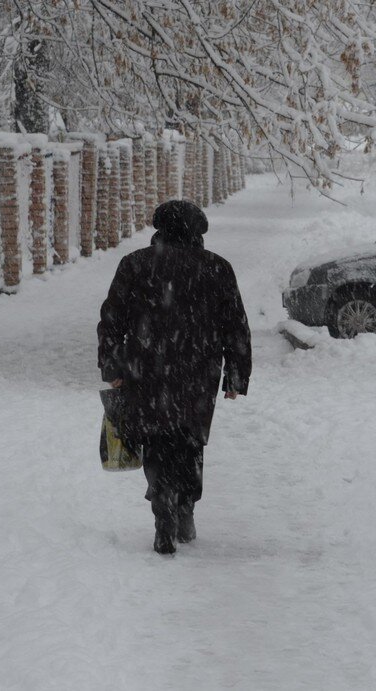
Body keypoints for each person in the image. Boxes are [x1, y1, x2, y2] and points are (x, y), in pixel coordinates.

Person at [97, 199, 252, 555]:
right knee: (189, 442)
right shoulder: (217, 268)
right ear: (199, 232)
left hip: (147, 370)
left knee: (155, 439)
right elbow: (235, 326)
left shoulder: (136, 265)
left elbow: (112, 321)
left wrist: (113, 366)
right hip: (199, 372)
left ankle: (162, 507)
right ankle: (185, 508)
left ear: (159, 228)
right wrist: (235, 375)